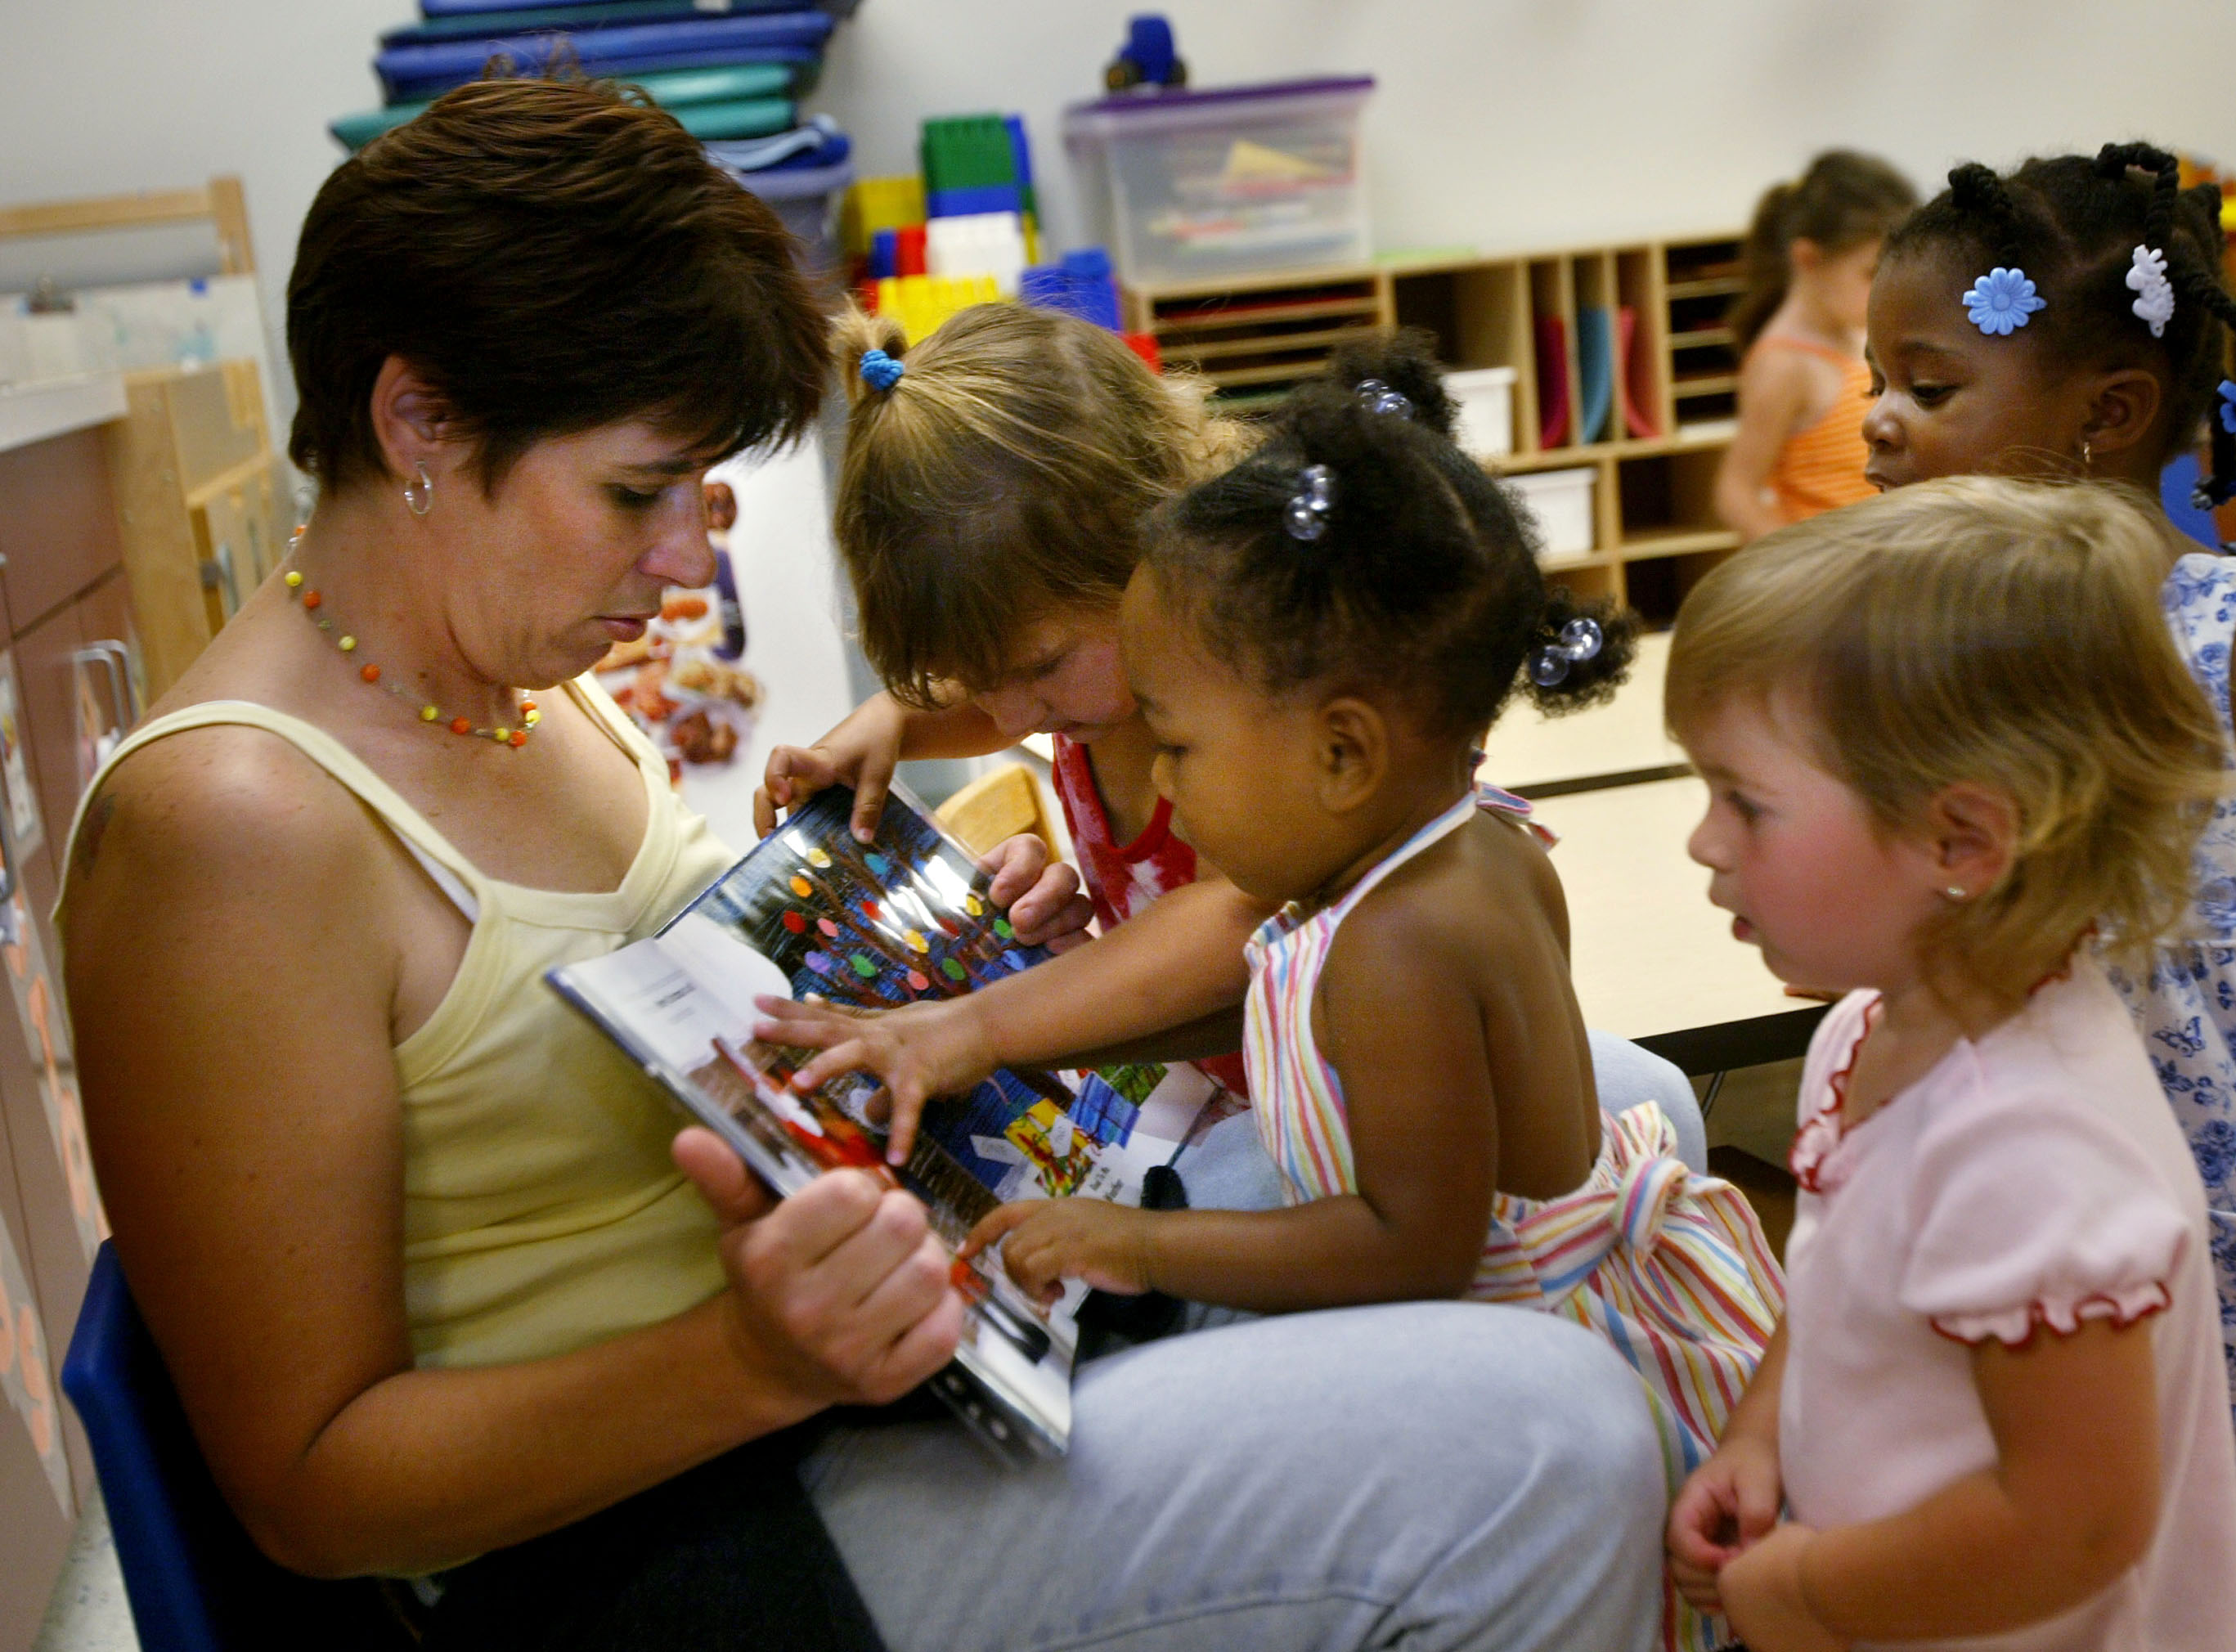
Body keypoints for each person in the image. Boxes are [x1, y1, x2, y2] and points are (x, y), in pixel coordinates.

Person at [55, 79, 1669, 1652]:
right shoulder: (229, 828)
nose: (689, 557)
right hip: (666, 1532)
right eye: (638, 491)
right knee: (1552, 1443)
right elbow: (313, 1490)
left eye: (700, 491)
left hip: (867, 1353)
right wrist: (752, 1359)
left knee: (1621, 1104)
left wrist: (957, 974)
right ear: (418, 415)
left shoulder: (528, 681)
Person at [927, 348, 1782, 1652]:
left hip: (1549, 1352)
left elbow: (1412, 1248)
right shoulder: (1433, 852)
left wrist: (1131, 1245)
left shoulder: (1397, 943)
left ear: (1341, 751)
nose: (1161, 792)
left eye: (1180, 747)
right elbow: (1272, 1022)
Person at [1861, 144, 2236, 1643]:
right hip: (2018, 1187)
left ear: (2106, 415)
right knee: (2079, 1524)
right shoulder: (1910, 646)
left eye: (1928, 390)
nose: (1871, 421)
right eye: (1878, 380)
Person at [757, 313, 1709, 1169]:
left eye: (1038, 668)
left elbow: (1234, 920)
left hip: (1349, 1098)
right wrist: (892, 718)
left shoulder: (1260, 717)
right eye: (978, 680)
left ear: (1149, 550)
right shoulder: (1102, 683)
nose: (1010, 721)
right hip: (1239, 1076)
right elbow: (1013, 687)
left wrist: (977, 1026)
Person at [1663, 478, 2236, 1650]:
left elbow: (2071, 1527)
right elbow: (1841, 1291)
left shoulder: (2026, 1146)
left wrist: (1808, 1593)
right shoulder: (1871, 1030)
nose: (1703, 841)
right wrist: (1761, 1432)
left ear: (1960, 841)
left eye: (1743, 804)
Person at [1712, 150, 1915, 543]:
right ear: (1808, 259)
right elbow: (1735, 492)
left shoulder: (1856, 336)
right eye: (1872, 273)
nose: (1887, 289)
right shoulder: (1784, 365)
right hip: (1836, 582)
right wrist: (1799, 574)